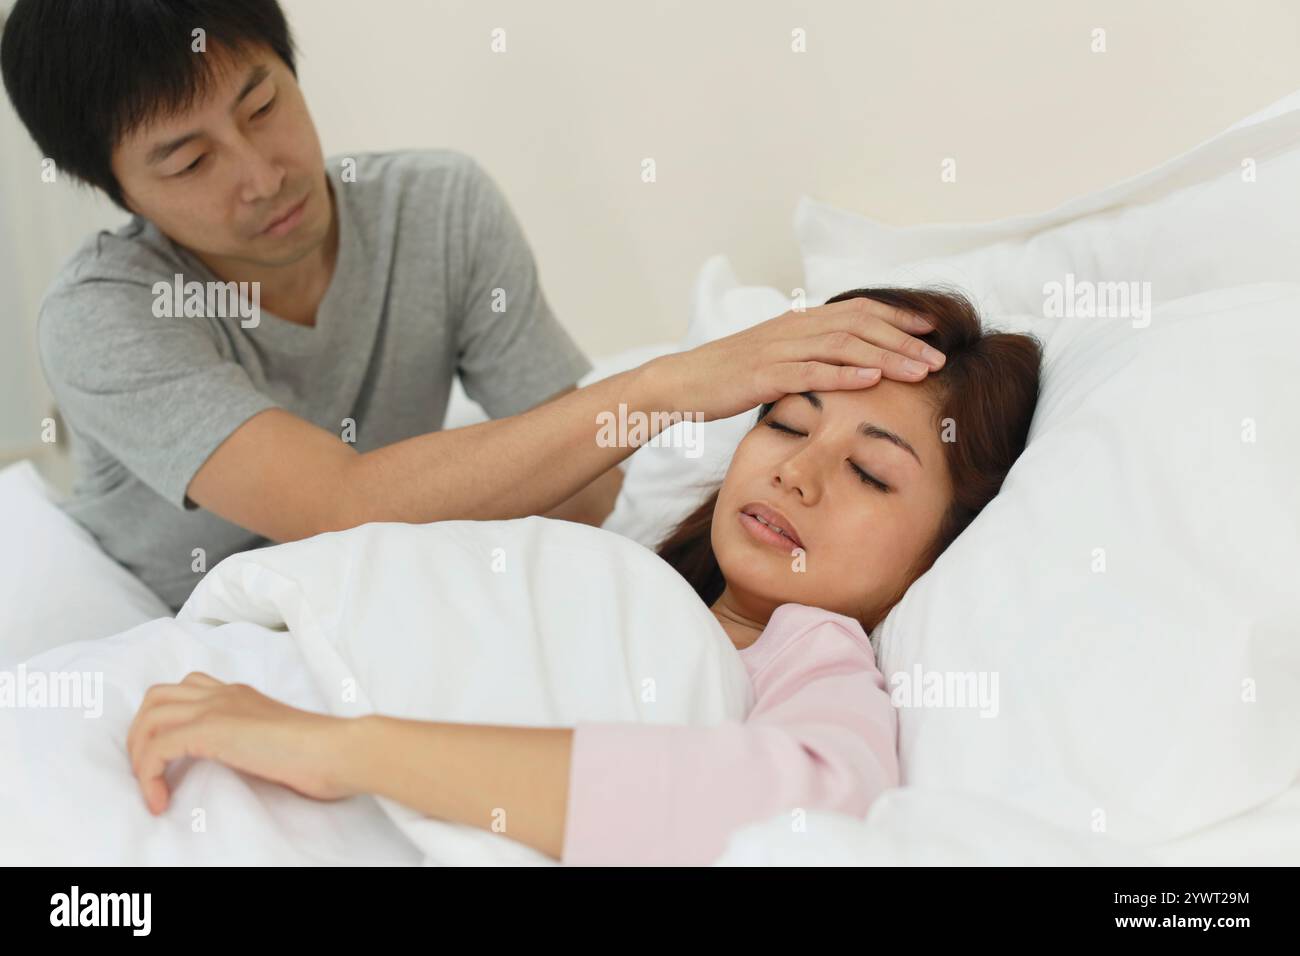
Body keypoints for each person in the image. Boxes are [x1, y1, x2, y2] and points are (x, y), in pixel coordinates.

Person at [1, 0, 943, 611]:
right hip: (151, 604)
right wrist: (679, 383)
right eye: (191, 161)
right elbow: (340, 506)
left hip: (374, 584)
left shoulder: (439, 209)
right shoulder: (102, 316)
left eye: (261, 107)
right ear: (121, 194)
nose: (262, 174)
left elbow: (591, 491)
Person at [126, 288, 1043, 866]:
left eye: (872, 472)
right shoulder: (614, 577)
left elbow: (800, 800)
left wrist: (339, 747)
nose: (795, 473)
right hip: (190, 695)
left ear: (939, 550)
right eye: (788, 424)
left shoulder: (814, 661)